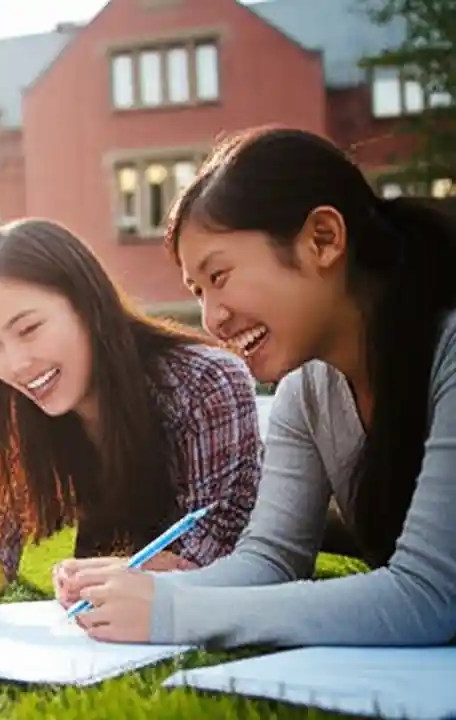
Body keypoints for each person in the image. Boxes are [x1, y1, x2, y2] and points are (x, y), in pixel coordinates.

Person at [65, 127, 456, 647]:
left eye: (219, 276)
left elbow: (431, 596)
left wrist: (178, 610)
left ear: (322, 239)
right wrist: (143, 589)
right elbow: (272, 557)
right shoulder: (305, 388)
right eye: (196, 291)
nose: (212, 319)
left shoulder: (447, 348)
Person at [0, 218, 263, 621]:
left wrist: (138, 572)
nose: (16, 364)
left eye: (29, 329)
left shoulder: (204, 383)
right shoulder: (16, 407)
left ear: (86, 306)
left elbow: (226, 544)